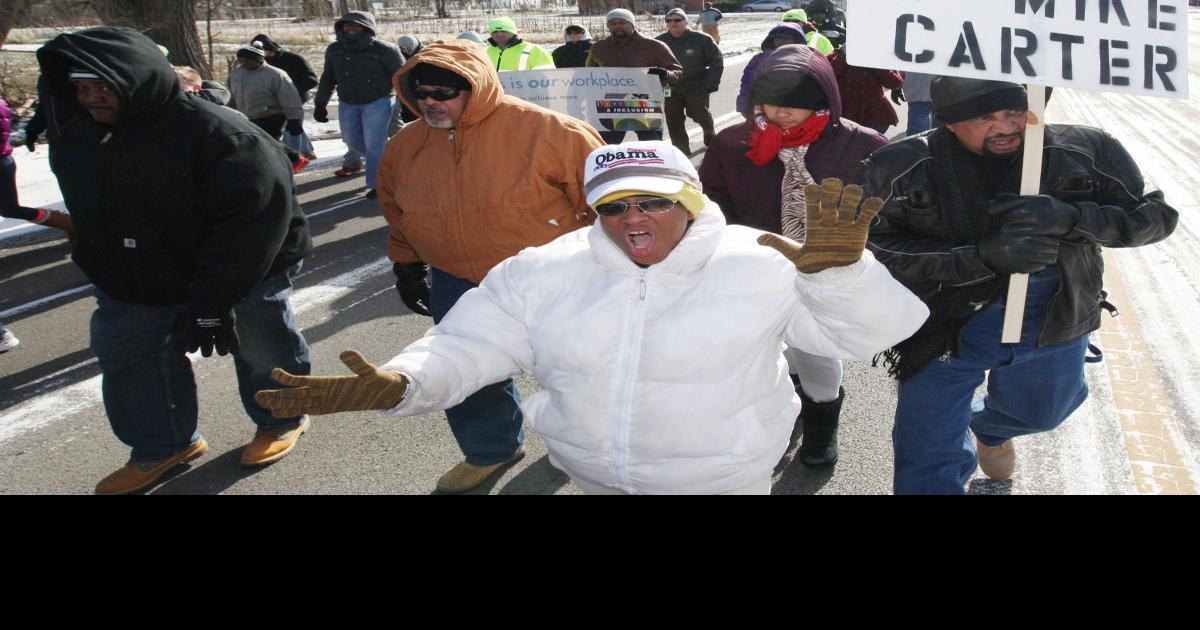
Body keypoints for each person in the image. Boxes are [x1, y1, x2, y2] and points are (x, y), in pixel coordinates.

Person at [255, 141, 929, 495]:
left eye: (651, 201)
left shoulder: (759, 258)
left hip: (719, 477)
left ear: (689, 202)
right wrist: (404, 382)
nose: (631, 218)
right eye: (613, 207)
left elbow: (869, 334)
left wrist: (842, 275)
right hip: (595, 473)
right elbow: (469, 342)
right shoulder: (544, 268)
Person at [863, 78, 1179, 494]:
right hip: (941, 322)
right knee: (927, 454)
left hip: (1053, 316)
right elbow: (873, 248)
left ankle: (988, 426)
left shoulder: (1086, 150)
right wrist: (980, 257)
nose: (1007, 126)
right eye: (985, 117)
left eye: (1015, 110)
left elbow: (1155, 217)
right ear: (950, 122)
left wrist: (1071, 218)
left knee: (1043, 413)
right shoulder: (899, 165)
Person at [37, 27, 314, 495]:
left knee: (259, 339)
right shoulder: (83, 135)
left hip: (246, 263)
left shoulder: (223, 134)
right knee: (130, 353)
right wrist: (104, 266)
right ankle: (163, 444)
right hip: (139, 270)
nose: (90, 98)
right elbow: (91, 209)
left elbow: (250, 231)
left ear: (137, 79)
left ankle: (281, 416)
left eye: (104, 86)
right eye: (81, 88)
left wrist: (210, 305)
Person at [372, 41, 605, 493]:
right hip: (458, 280)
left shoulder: (553, 132)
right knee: (466, 372)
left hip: (551, 280)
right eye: (421, 94)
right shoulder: (406, 146)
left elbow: (604, 207)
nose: (430, 103)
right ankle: (491, 449)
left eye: (443, 93)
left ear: (475, 87)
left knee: (575, 369)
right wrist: (406, 264)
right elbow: (397, 210)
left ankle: (585, 446)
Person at [700, 44, 887, 466]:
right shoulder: (734, 142)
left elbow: (887, 211)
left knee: (817, 352)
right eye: (772, 103)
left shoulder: (862, 144)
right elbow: (711, 200)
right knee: (768, 352)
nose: (781, 114)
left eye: (796, 107)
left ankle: (822, 427)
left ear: (824, 102)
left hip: (827, 271)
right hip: (755, 268)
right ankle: (785, 414)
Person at [312, 11, 405, 197]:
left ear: (367, 27)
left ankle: (378, 185)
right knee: (350, 140)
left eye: (356, 25)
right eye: (347, 25)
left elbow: (403, 76)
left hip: (378, 101)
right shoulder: (334, 50)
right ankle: (389, 162)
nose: (351, 29)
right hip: (348, 102)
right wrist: (320, 103)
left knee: (374, 143)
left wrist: (408, 103)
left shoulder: (385, 50)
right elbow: (328, 78)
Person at [586, 8, 683, 144]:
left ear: (632, 24)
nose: (618, 26)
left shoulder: (655, 46)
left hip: (646, 104)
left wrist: (666, 74)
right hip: (611, 105)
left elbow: (678, 72)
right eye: (613, 23)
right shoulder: (598, 48)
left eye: (622, 22)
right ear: (608, 26)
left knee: (651, 148)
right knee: (606, 149)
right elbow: (588, 76)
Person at [656, 9, 722, 155]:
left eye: (677, 20)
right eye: (669, 20)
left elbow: (716, 61)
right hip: (671, 86)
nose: (673, 23)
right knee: (673, 118)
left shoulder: (702, 39)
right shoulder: (659, 42)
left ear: (685, 22)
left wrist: (712, 82)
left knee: (699, 113)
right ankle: (682, 152)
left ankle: (709, 133)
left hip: (697, 84)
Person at [251, 33, 320, 159]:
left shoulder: (293, 59)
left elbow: (312, 80)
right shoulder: (259, 64)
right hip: (273, 102)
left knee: (291, 127)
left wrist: (290, 91)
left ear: (270, 48)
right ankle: (307, 151)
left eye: (263, 51)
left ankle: (292, 159)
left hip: (295, 100)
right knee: (292, 126)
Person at [736, 21, 827, 114]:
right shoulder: (759, 59)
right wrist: (744, 107)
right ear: (772, 40)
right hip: (763, 109)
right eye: (778, 38)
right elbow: (747, 83)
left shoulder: (809, 59)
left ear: (796, 40)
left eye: (786, 39)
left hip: (799, 110)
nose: (781, 41)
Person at [228, 42, 304, 141]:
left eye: (248, 60)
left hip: (269, 120)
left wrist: (294, 119)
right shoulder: (235, 74)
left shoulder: (276, 75)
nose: (244, 63)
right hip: (244, 120)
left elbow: (289, 98)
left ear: (258, 59)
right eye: (241, 60)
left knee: (268, 149)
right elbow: (231, 96)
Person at [827, 41, 903, 135]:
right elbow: (826, 76)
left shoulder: (879, 55)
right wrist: (844, 55)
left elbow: (895, 83)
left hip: (873, 115)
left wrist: (874, 59)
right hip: (844, 116)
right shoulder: (839, 54)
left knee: (866, 147)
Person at [485, 17, 554, 71]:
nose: (499, 34)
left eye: (503, 31)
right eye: (495, 31)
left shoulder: (536, 51)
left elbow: (548, 80)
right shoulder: (484, 52)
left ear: (513, 32)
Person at [893, 71, 938, 138]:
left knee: (917, 129)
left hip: (917, 89)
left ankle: (917, 145)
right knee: (940, 126)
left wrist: (896, 85)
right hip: (939, 88)